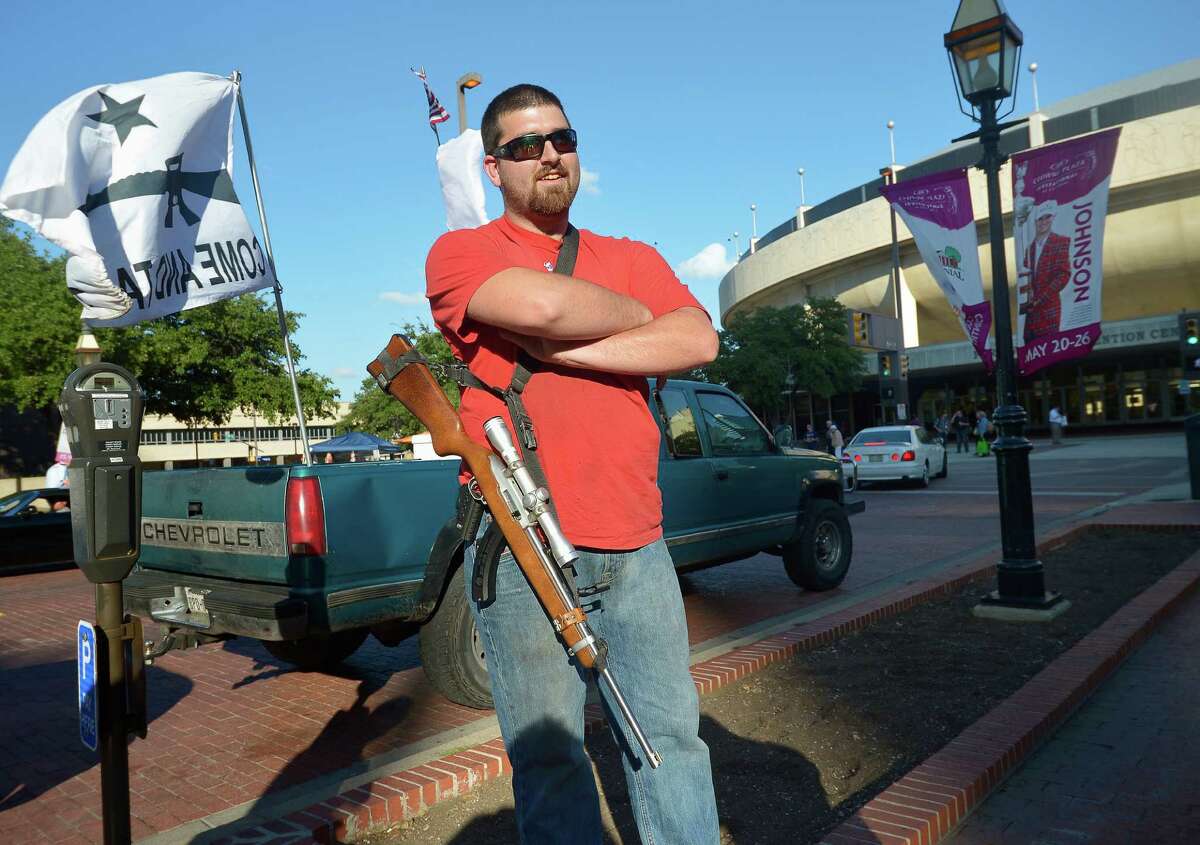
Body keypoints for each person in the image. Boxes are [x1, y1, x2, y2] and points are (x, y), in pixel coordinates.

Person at [425, 83, 720, 844]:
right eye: (524, 146)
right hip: (523, 549)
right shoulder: (462, 253)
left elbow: (697, 340)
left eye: (561, 138)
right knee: (552, 762)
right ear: (493, 167)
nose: (548, 154)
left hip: (639, 543)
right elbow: (550, 308)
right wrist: (631, 315)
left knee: (672, 747)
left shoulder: (633, 254)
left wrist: (566, 346)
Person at [1018, 200, 1071, 344]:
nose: (1043, 222)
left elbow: (1063, 275)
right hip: (1029, 320)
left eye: (1047, 217)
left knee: (1050, 360)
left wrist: (1040, 300)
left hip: (1048, 314)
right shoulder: (1029, 248)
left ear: (1053, 217)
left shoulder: (1061, 242)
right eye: (1040, 219)